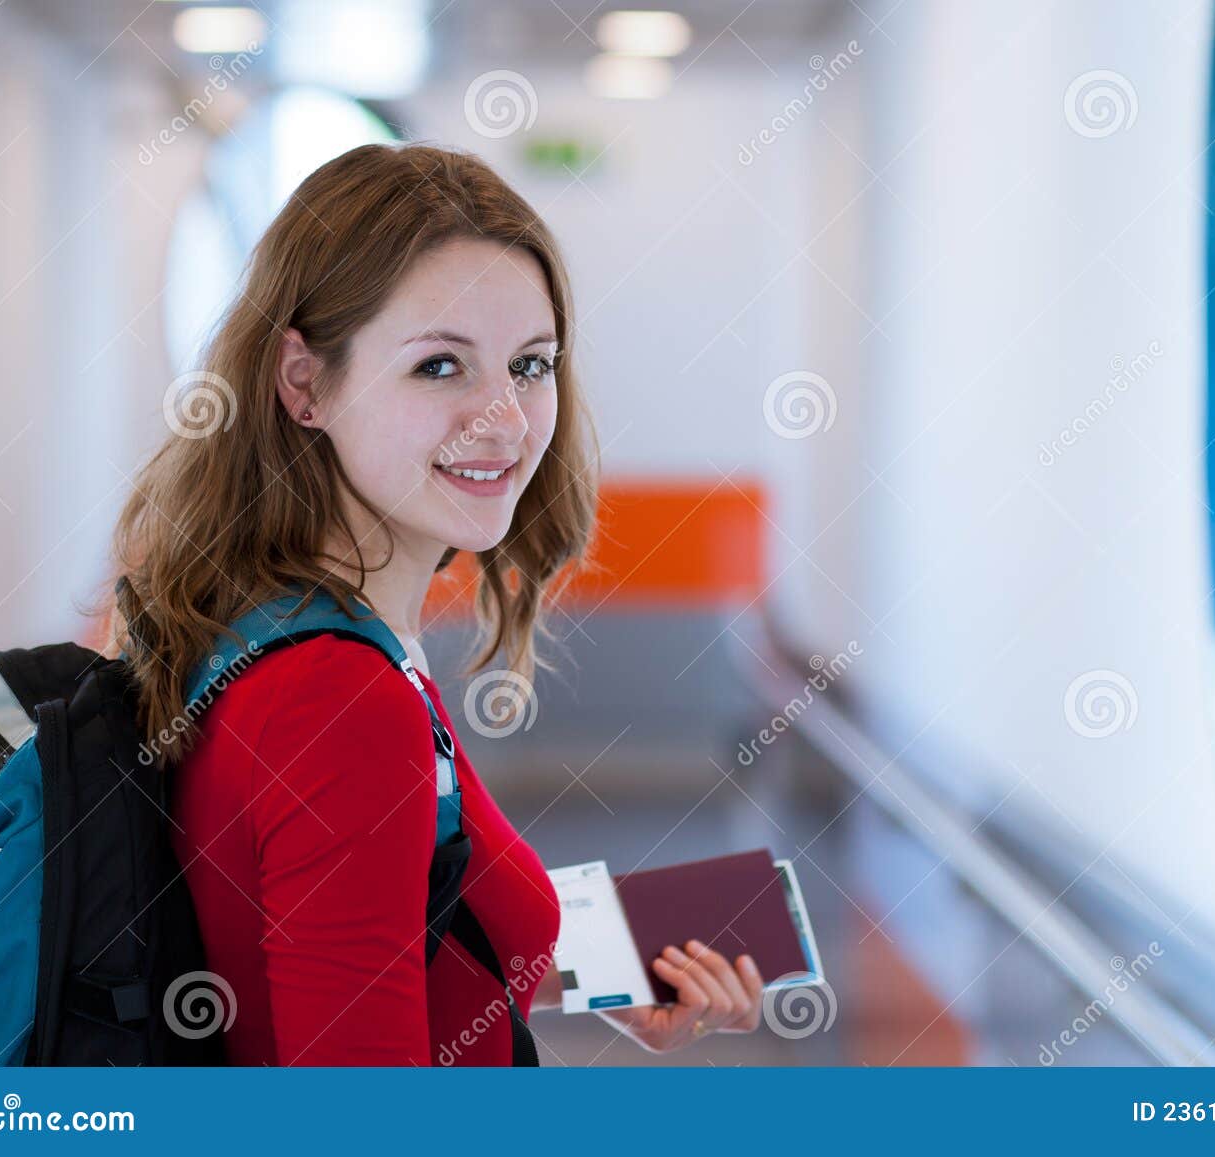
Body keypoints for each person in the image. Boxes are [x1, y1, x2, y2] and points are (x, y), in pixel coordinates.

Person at [100, 142, 765, 1065]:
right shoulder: (338, 696)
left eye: (530, 365)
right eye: (440, 367)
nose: (504, 417)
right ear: (304, 383)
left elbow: (399, 886)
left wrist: (618, 961)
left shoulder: (298, 623)